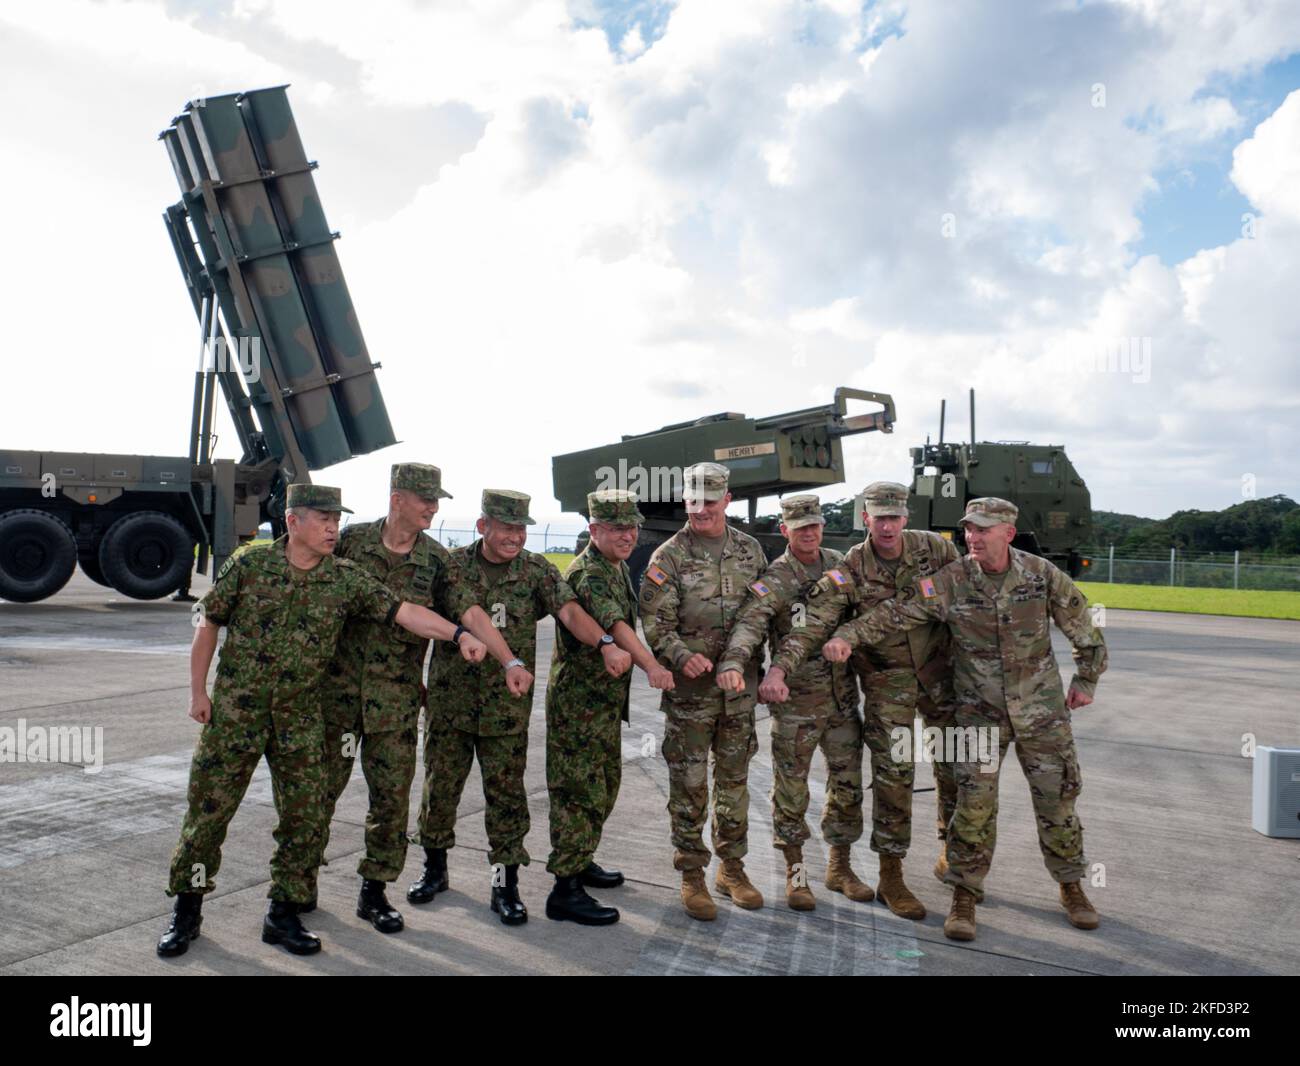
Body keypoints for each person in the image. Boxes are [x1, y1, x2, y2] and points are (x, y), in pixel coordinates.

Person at [156, 483, 486, 958]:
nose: (334, 528)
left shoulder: (344, 578)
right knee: (208, 814)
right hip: (235, 716)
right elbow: (209, 623)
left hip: (302, 719)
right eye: (324, 519)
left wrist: (457, 634)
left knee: (305, 818)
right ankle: (186, 912)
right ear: (294, 522)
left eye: (337, 520)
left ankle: (284, 913)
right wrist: (197, 692)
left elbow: (405, 611)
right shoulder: (250, 565)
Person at [820, 497, 1107, 941]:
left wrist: (1086, 679)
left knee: (1058, 801)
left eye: (983, 530)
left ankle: (1072, 888)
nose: (973, 537)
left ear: (1007, 534)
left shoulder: (1040, 574)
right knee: (972, 809)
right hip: (977, 716)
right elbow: (896, 613)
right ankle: (964, 896)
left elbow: (1083, 626)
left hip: (1042, 713)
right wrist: (847, 635)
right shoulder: (951, 580)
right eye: (969, 529)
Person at [312, 463, 530, 934]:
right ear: (397, 499)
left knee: (389, 802)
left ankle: (374, 893)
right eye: (425, 499)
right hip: (337, 699)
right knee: (316, 796)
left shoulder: (436, 560)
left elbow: (470, 611)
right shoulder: (349, 542)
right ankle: (296, 885)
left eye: (436, 500)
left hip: (395, 703)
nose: (433, 508)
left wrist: (508, 660)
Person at [413, 489, 632, 926]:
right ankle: (434, 869)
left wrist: (605, 642)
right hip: (450, 703)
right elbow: (421, 621)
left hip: (506, 708)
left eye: (521, 528)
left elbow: (569, 613)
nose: (515, 537)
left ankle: (504, 884)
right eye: (506, 527)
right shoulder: (452, 567)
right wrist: (414, 683)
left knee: (507, 800)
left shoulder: (536, 571)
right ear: (483, 527)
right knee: (440, 790)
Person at [762, 481, 960, 919]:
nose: (887, 526)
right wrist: (779, 668)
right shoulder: (850, 566)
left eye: (895, 517)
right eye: (879, 517)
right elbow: (815, 622)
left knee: (955, 767)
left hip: (940, 675)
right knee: (894, 773)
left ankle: (951, 849)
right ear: (865, 519)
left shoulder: (935, 550)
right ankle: (892, 874)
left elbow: (969, 594)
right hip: (888, 681)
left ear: (906, 518)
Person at [716, 494, 868, 911]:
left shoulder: (839, 563)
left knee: (847, 785)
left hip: (841, 699)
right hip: (796, 701)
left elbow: (863, 612)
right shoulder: (776, 577)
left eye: (815, 525)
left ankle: (839, 867)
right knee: (791, 793)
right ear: (785, 531)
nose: (810, 533)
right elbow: (751, 623)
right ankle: (796, 874)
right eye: (801, 528)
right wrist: (735, 661)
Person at [639, 462, 768, 920]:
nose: (700, 510)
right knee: (690, 785)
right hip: (691, 696)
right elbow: (655, 620)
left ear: (727, 500)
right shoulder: (669, 556)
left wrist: (740, 660)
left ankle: (732, 869)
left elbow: (759, 613)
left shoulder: (750, 551)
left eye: (710, 501)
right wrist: (678, 654)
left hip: (738, 691)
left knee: (733, 784)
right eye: (693, 501)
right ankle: (692, 873)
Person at [544, 489, 675, 926]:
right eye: (617, 527)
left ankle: (580, 861)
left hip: (600, 705)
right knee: (578, 793)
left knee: (601, 787)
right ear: (594, 529)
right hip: (578, 706)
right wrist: (652, 666)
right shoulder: (590, 574)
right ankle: (564, 889)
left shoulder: (614, 567)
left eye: (632, 527)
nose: (628, 535)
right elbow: (616, 625)